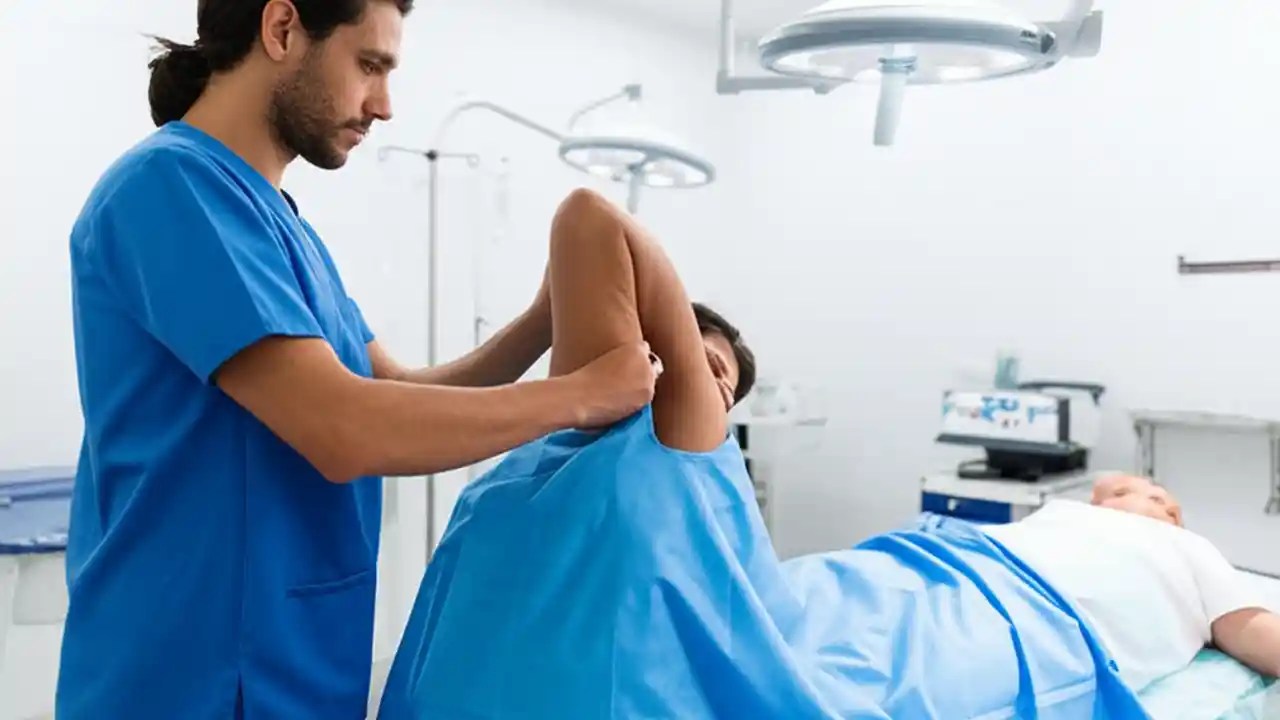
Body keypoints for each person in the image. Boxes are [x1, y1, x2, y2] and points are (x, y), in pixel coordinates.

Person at [59, 2, 658, 718]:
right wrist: (586, 395)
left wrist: (539, 325)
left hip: (296, 661)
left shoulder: (281, 224)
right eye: (369, 65)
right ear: (281, 29)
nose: (384, 105)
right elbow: (347, 430)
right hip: (193, 674)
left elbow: (397, 389)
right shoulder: (171, 187)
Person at [984, 474, 1280, 691]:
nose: (1099, 503)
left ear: (1167, 510)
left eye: (1122, 492)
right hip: (975, 560)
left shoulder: (1184, 544)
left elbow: (1253, 630)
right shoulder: (1056, 515)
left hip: (1026, 621)